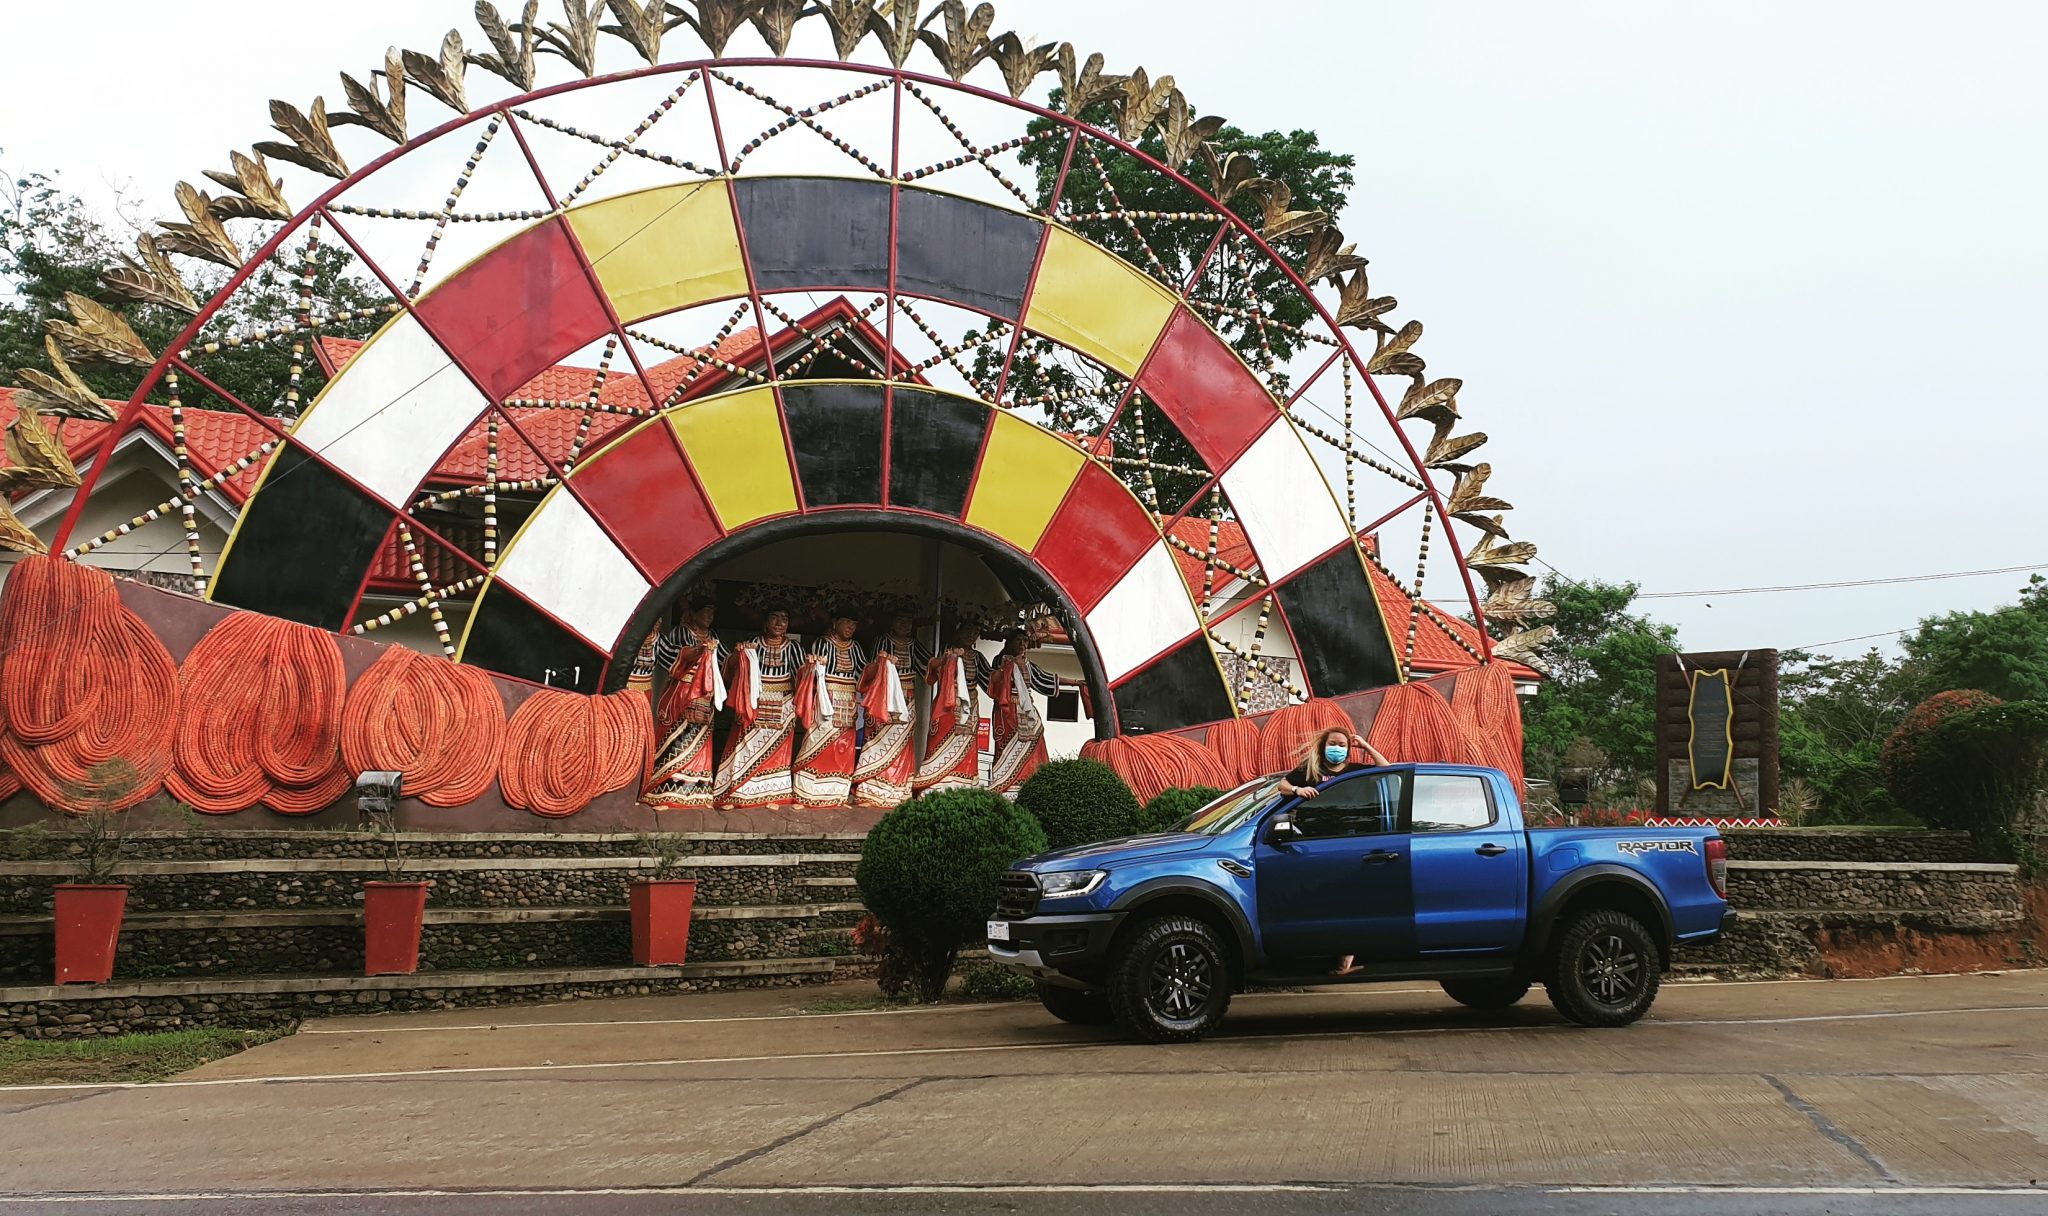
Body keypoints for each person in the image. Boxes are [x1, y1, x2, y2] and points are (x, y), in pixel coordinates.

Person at [1276, 726, 1389, 976]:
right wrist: (1298, 790)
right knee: (1321, 897)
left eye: (1342, 745)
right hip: (1314, 841)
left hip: (1349, 840)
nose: (1336, 748)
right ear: (1323, 746)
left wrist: (1367, 746)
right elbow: (1282, 785)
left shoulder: (1354, 771)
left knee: (1348, 897)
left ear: (1349, 749)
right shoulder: (1312, 771)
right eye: (1332, 743)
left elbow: (1386, 769)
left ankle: (1345, 959)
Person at [716, 608, 802, 809]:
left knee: (778, 750)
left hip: (784, 702)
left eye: (785, 618)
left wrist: (812, 667)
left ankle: (773, 793)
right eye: (775, 617)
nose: (780, 623)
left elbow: (801, 675)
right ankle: (738, 792)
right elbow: (731, 668)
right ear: (765, 621)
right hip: (755, 700)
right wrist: (740, 654)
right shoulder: (753, 642)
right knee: (744, 745)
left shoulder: (794, 648)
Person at [643, 599, 724, 810]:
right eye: (706, 611)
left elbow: (723, 661)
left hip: (706, 695)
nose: (710, 617)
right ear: (693, 614)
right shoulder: (681, 633)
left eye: (712, 613)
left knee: (701, 742)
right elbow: (674, 657)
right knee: (676, 738)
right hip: (682, 692)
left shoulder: (713, 637)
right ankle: (665, 790)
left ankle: (699, 791)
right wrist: (699, 650)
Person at [792, 608, 866, 809]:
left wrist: (881, 665)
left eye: (854, 624)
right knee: (817, 741)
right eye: (846, 622)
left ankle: (837, 793)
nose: (851, 627)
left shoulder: (855, 647)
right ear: (835, 622)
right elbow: (814, 671)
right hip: (827, 698)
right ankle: (807, 791)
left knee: (845, 745)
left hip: (849, 700)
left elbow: (863, 673)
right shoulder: (822, 643)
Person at [851, 611, 922, 808]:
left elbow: (928, 665)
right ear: (891, 622)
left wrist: (946, 662)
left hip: (907, 698)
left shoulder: (914, 645)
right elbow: (872, 668)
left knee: (903, 743)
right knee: (877, 739)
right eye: (900, 618)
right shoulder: (881, 641)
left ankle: (899, 789)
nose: (905, 624)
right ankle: (871, 789)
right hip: (883, 697)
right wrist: (882, 662)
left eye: (908, 619)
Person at [913, 621, 991, 795]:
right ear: (958, 630)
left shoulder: (977, 657)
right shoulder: (945, 649)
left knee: (967, 742)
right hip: (946, 703)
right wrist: (948, 659)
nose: (971, 635)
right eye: (968, 630)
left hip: (971, 704)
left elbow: (990, 679)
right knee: (938, 739)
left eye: (976, 632)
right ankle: (934, 781)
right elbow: (931, 668)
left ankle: (964, 783)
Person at [986, 627, 1059, 797]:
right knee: (1006, 746)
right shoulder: (1001, 660)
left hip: (1026, 709)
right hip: (1007, 710)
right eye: (1018, 640)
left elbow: (1044, 679)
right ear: (1009, 642)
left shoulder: (1026, 663)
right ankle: (1005, 784)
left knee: (1037, 738)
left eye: (1025, 641)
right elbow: (995, 681)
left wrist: (1076, 683)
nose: (1022, 644)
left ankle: (1030, 781)